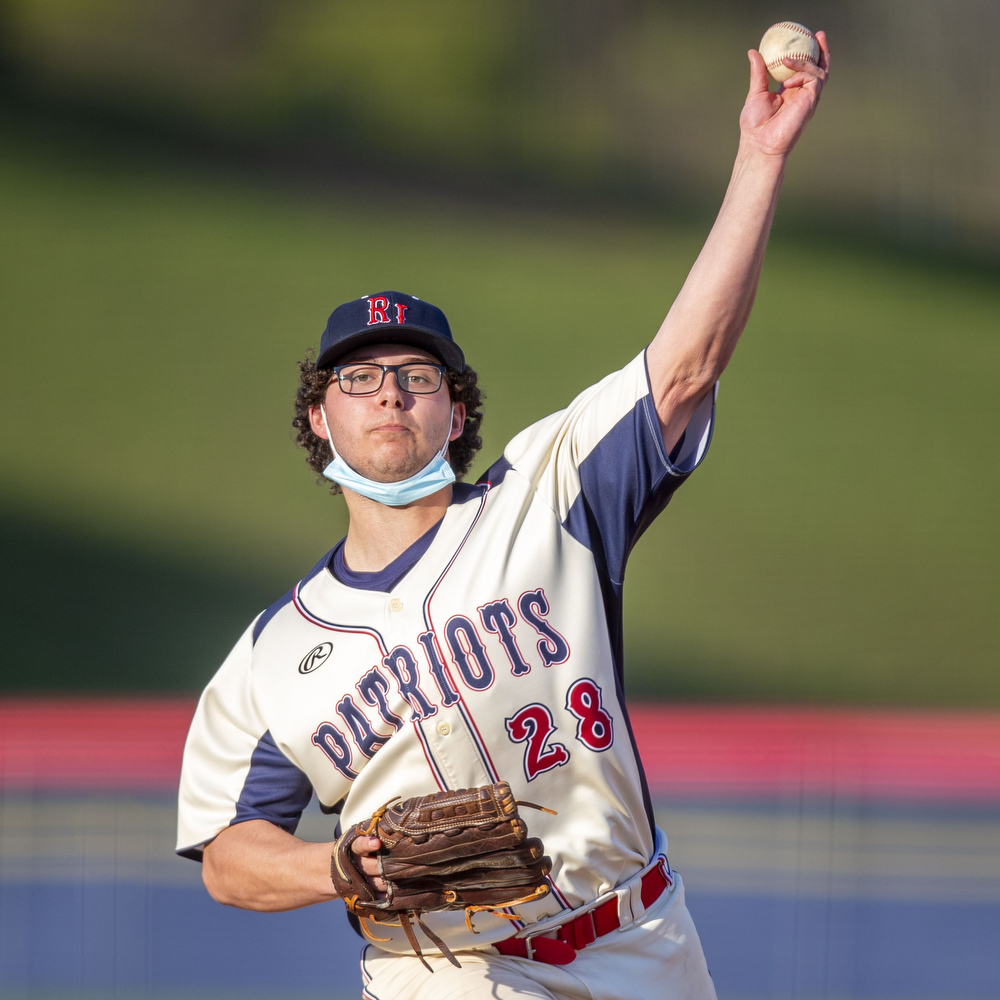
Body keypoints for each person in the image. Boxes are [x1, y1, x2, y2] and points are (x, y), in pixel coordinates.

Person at [176, 39, 829, 1000]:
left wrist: (760, 159)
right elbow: (230, 853)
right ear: (321, 418)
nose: (390, 394)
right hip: (441, 969)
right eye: (359, 378)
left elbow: (686, 363)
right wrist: (339, 868)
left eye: (417, 376)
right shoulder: (275, 655)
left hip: (641, 935)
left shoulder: (550, 493)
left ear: (459, 410)